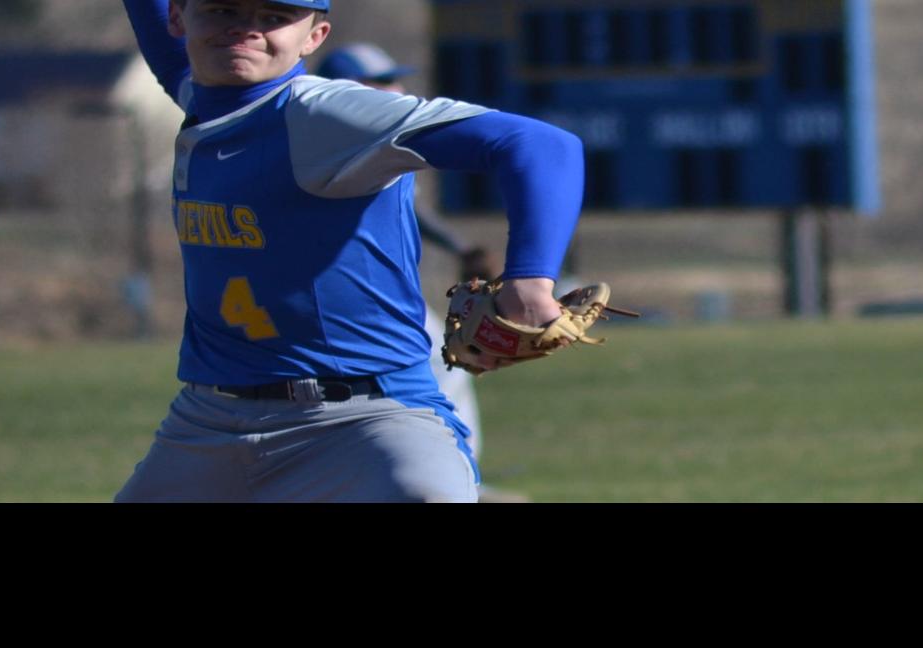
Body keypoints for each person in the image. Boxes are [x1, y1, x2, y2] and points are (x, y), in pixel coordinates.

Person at [116, 0, 584, 502]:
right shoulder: (206, 98)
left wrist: (531, 280)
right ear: (180, 17)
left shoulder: (324, 114)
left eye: (273, 18)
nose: (245, 30)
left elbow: (541, 145)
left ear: (315, 37)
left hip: (363, 418)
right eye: (224, 9)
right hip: (207, 424)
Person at [316, 41, 525, 503]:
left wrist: (461, 245)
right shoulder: (340, 140)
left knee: (436, 366)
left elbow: (410, 206)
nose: (398, 88)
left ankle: (445, 475)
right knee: (438, 364)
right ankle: (452, 478)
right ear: (351, 89)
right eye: (384, 81)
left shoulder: (351, 140)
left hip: (364, 296)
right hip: (350, 297)